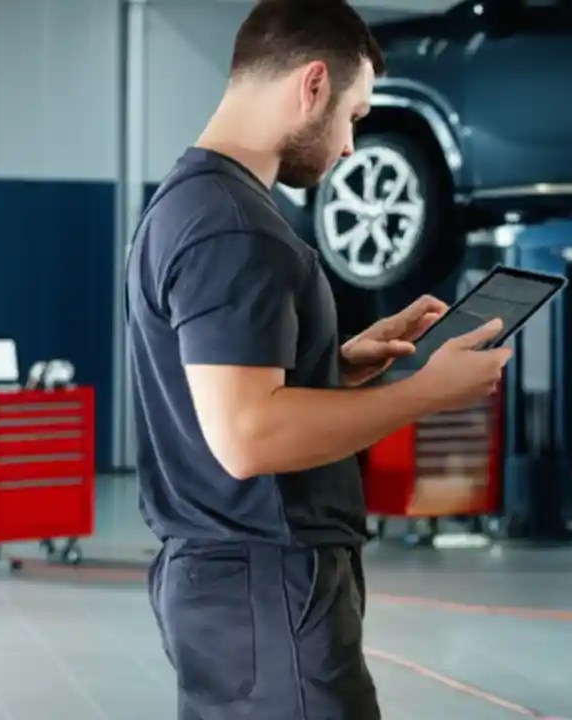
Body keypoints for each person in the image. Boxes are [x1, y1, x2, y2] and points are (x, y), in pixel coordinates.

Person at [124, 1, 512, 717]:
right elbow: (248, 438)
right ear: (311, 86)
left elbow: (217, 399)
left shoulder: (188, 204)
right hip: (269, 584)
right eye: (354, 115)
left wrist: (336, 364)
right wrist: (426, 393)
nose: (351, 148)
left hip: (228, 585)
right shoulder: (236, 231)